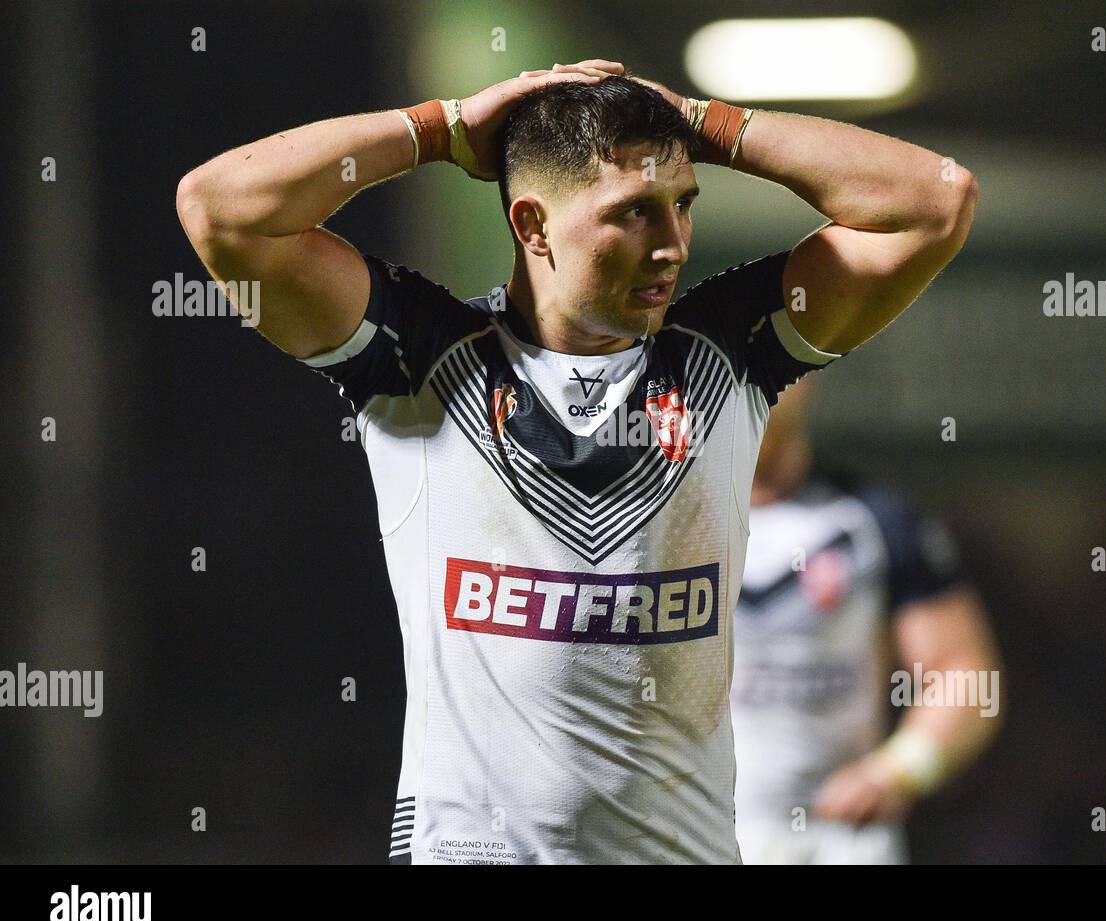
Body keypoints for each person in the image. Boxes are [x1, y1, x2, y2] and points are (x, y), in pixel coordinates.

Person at [175, 59, 978, 864]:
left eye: (682, 205)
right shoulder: (421, 359)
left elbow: (937, 202)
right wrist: (440, 129)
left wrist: (708, 124)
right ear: (532, 226)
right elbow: (221, 209)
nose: (673, 244)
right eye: (634, 212)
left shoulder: (727, 353)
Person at [732, 376, 1003, 863]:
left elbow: (963, 673)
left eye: (772, 370)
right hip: (692, 830)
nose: (755, 392)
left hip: (837, 839)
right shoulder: (650, 525)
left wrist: (899, 768)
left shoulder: (877, 522)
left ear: (808, 376)